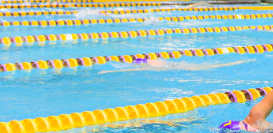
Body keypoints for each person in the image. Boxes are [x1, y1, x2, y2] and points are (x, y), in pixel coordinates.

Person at [97, 58, 251, 74]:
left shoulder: (148, 66)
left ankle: (234, 62)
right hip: (170, 64)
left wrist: (108, 70)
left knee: (200, 68)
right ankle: (234, 62)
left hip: (171, 66)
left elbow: (130, 68)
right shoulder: (151, 62)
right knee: (203, 66)